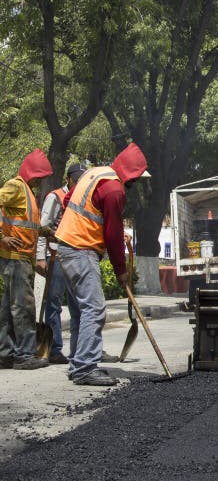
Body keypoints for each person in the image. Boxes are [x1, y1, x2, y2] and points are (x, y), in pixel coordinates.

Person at [55, 143, 149, 385]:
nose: (134, 183)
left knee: (81, 311)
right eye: (136, 179)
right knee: (94, 309)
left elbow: (68, 200)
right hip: (81, 250)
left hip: (66, 246)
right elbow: (113, 234)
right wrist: (121, 271)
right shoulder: (115, 190)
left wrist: (80, 225)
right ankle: (85, 368)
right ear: (130, 174)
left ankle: (78, 363)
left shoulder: (94, 173)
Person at [0, 149, 53, 370]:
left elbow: (27, 225)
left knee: (8, 308)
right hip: (16, 258)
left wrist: (47, 232)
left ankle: (5, 353)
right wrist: (2, 237)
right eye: (39, 176)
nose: (40, 181)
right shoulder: (15, 186)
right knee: (24, 306)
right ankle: (24, 355)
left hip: (20, 258)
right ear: (31, 172)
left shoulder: (28, 192)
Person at [35, 163, 86, 364]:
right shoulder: (55, 197)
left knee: (77, 305)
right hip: (55, 256)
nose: (78, 183)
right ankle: (54, 349)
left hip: (74, 257)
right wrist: (40, 257)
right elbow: (43, 228)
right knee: (54, 303)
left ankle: (79, 350)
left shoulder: (82, 197)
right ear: (68, 179)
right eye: (76, 180)